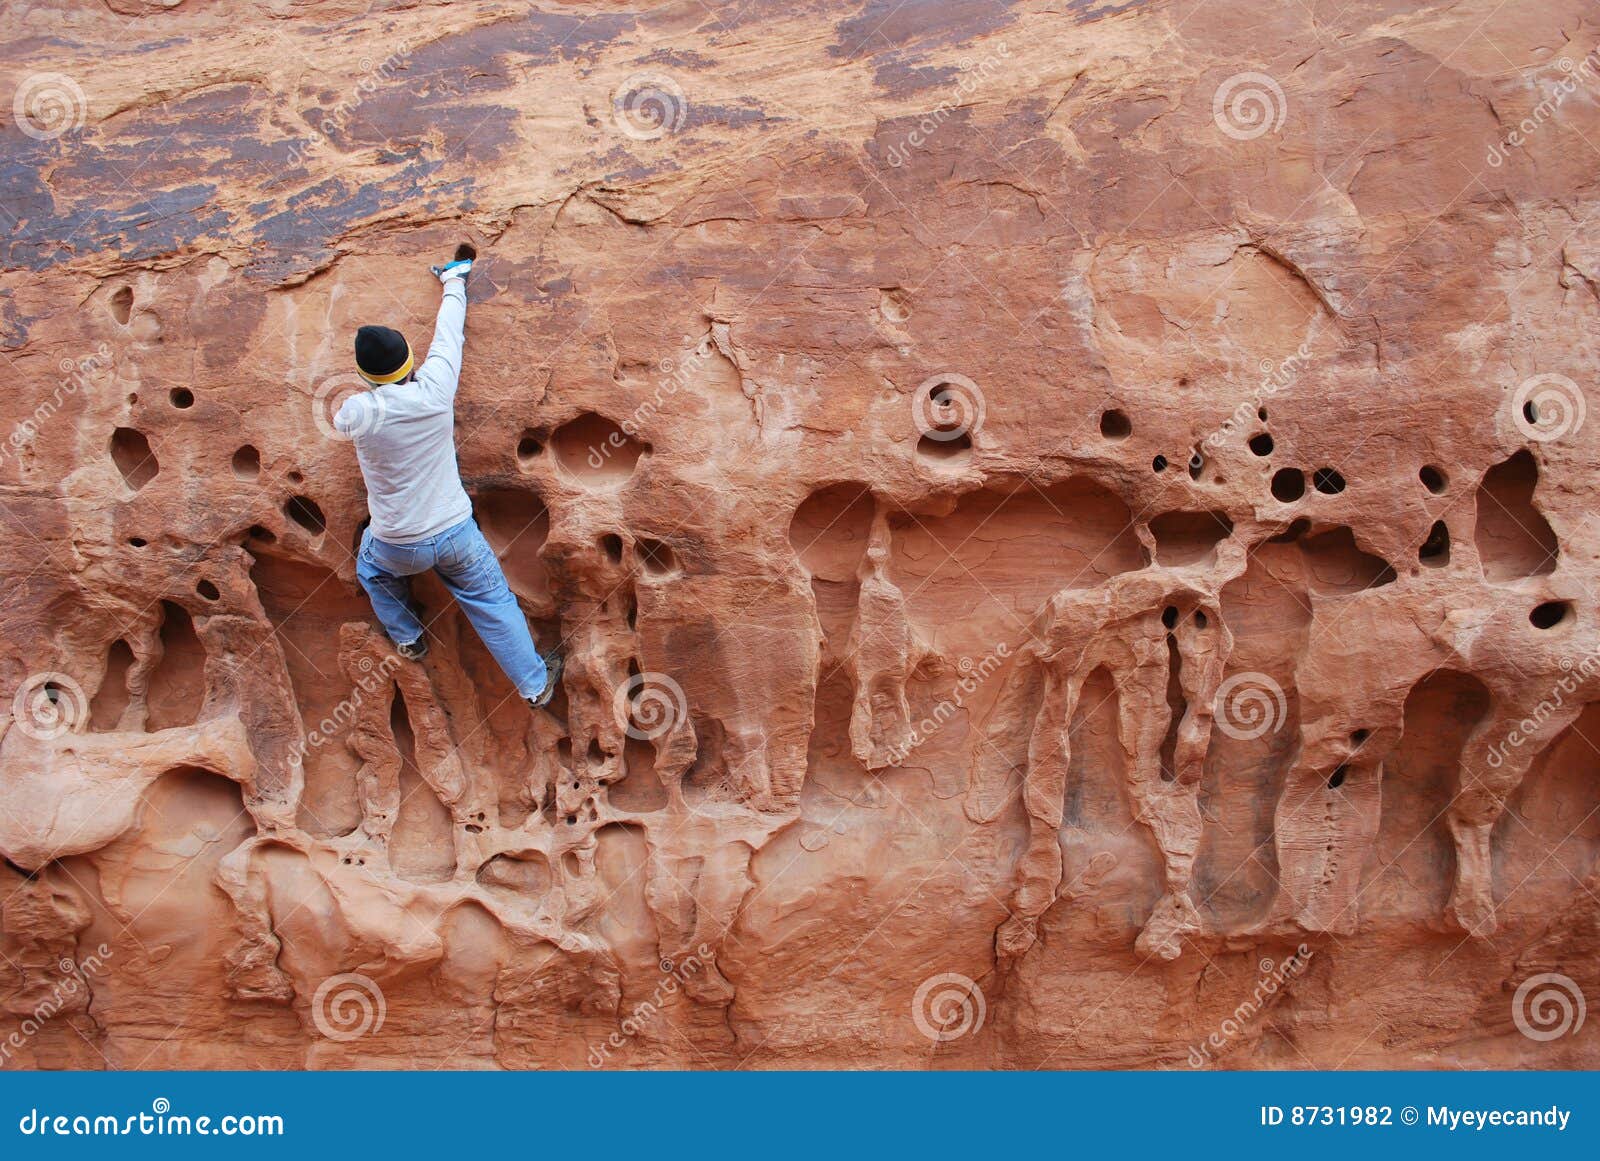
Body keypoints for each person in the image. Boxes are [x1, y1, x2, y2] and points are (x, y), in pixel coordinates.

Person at [335, 249, 561, 709]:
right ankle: (535, 685)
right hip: (456, 532)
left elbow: (343, 417)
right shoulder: (436, 392)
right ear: (409, 363)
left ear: (365, 377)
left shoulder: (358, 412)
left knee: (371, 572)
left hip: (396, 542)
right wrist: (454, 282)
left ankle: (409, 637)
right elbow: (448, 339)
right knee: (494, 603)